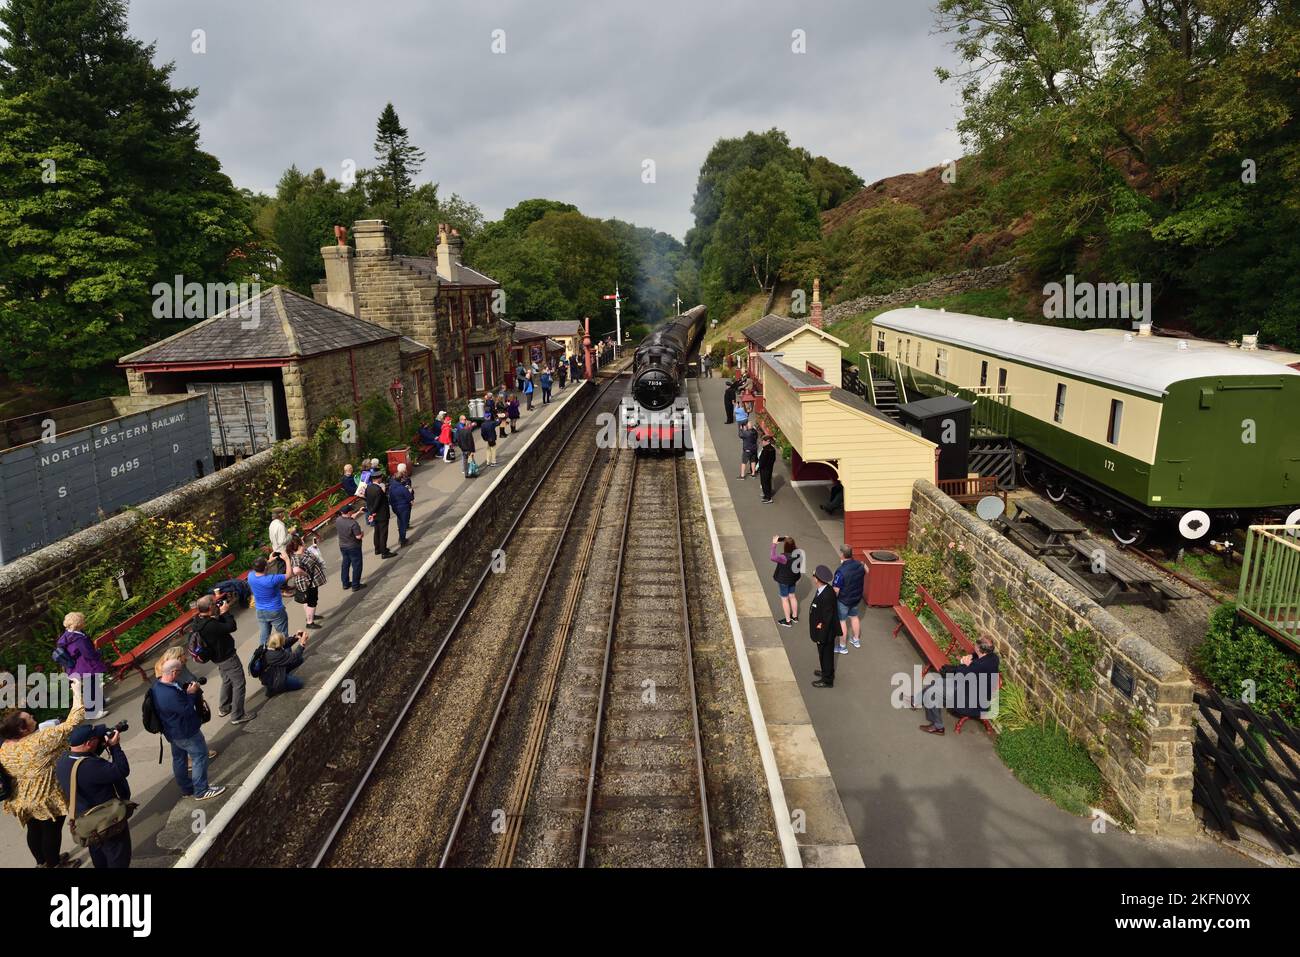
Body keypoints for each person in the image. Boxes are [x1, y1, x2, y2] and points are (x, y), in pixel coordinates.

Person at [0, 678, 86, 868]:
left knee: (34, 830)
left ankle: (42, 863)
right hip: (44, 797)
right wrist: (77, 691)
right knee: (51, 832)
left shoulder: (5, 746)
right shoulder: (40, 741)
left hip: (21, 798)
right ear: (23, 729)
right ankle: (55, 865)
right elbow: (75, 720)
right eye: (30, 718)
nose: (34, 718)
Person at [55, 723, 132, 868]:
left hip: (86, 823)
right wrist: (115, 747)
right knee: (118, 858)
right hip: (107, 821)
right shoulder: (90, 767)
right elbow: (122, 770)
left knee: (99, 856)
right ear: (89, 743)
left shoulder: (63, 760)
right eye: (97, 738)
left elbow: (86, 761)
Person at [150, 656, 224, 801]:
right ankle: (201, 790)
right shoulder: (169, 694)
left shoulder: (157, 687)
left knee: (179, 759)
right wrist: (190, 694)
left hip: (171, 731)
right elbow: (187, 710)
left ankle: (187, 788)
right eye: (179, 671)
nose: (180, 674)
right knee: (200, 756)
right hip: (185, 732)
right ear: (173, 672)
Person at [922, 637, 1001, 735]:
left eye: (976, 645)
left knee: (933, 692)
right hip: (969, 690)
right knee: (938, 682)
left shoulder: (980, 665)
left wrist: (963, 663)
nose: (974, 645)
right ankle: (916, 700)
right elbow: (972, 660)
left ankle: (938, 727)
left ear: (979, 649)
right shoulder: (992, 657)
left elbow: (961, 675)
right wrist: (968, 660)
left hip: (972, 702)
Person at [192, 594, 251, 724]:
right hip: (227, 657)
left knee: (227, 680)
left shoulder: (198, 620)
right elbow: (231, 627)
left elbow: (216, 625)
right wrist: (226, 613)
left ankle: (224, 708)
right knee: (239, 684)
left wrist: (218, 615)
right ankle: (237, 715)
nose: (217, 604)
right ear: (209, 607)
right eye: (214, 603)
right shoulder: (210, 625)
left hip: (217, 657)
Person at [55, 612, 108, 718]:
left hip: (80, 665)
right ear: (78, 623)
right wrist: (98, 653)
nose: (84, 622)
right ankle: (91, 712)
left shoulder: (69, 635)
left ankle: (100, 703)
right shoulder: (77, 637)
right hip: (85, 665)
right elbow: (88, 653)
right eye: (82, 620)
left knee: (93, 684)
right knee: (91, 686)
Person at [249, 555, 298, 646]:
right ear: (265, 567)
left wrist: (268, 561)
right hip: (275, 611)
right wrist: (287, 559)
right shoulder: (271, 579)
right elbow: (289, 575)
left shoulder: (251, 576)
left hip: (260, 611)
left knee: (264, 638)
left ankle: (261, 658)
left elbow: (260, 569)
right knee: (283, 637)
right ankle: (286, 657)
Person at [286, 537, 328, 627]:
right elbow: (296, 570)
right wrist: (305, 574)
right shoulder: (296, 557)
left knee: (307, 600)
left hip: (308, 582)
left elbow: (309, 553)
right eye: (302, 542)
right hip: (307, 583)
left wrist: (313, 546)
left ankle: (310, 615)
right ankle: (310, 622)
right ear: (299, 545)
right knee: (312, 601)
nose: (304, 543)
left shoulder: (301, 552)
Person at [832, 544, 866, 653]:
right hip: (855, 598)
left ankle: (842, 647)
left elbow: (836, 589)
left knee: (842, 621)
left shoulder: (841, 571)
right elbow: (867, 570)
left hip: (844, 600)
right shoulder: (860, 565)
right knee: (854, 617)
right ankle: (856, 640)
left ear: (842, 554)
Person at [809, 565, 839, 688]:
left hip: (825, 633)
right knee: (824, 654)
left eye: (814, 575)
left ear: (817, 579)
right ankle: (826, 672)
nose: (813, 577)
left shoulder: (826, 595)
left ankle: (827, 680)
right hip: (823, 630)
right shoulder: (824, 589)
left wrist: (821, 636)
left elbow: (827, 619)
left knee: (826, 654)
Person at [260, 631, 309, 697]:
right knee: (299, 684)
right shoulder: (275, 655)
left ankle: (274, 685)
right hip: (274, 678)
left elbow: (285, 642)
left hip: (271, 673)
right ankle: (275, 688)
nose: (284, 640)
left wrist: (296, 637)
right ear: (278, 643)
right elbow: (294, 657)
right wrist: (302, 643)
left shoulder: (269, 646)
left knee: (299, 660)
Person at [770, 536, 801, 628]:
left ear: (785, 547)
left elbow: (772, 557)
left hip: (784, 580)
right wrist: (788, 539)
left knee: (784, 599)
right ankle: (794, 617)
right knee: (792, 596)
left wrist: (774, 544)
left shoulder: (783, 558)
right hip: (793, 578)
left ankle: (787, 621)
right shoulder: (798, 553)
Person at [335, 501, 365, 591]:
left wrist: (359, 512)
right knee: (357, 565)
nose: (352, 512)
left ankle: (345, 583)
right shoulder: (354, 524)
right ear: (348, 512)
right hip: (353, 547)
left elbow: (350, 518)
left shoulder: (338, 520)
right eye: (351, 511)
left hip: (343, 546)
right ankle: (356, 585)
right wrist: (362, 533)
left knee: (345, 564)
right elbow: (358, 537)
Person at [365, 473, 395, 558]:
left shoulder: (368, 488)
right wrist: (372, 512)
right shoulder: (379, 490)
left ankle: (377, 549)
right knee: (383, 533)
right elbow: (378, 503)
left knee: (377, 531)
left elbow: (368, 500)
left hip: (375, 514)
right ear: (378, 479)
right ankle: (384, 552)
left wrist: (371, 512)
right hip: (382, 514)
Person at [388, 466, 414, 545]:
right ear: (401, 479)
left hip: (395, 508)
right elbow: (410, 497)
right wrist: (410, 491)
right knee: (404, 524)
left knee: (400, 521)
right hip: (404, 507)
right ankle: (402, 540)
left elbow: (390, 499)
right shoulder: (403, 488)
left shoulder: (391, 487)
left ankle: (401, 537)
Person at [757, 434, 777, 503]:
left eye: (763, 441)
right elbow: (773, 459)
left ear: (767, 441)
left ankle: (768, 498)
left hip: (764, 469)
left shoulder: (766, 450)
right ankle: (766, 495)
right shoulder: (772, 449)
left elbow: (762, 460)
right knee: (768, 482)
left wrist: (760, 466)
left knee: (764, 483)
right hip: (769, 468)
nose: (762, 442)